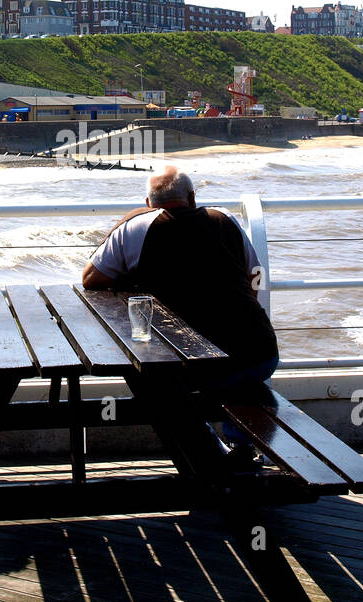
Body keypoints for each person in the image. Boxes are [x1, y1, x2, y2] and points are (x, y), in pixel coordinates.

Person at [82, 166, 278, 463]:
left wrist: (133, 278)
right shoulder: (226, 220)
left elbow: (90, 278)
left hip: (194, 367)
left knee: (161, 388)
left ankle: (211, 458)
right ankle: (241, 448)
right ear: (192, 197)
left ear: (148, 203)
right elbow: (256, 274)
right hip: (261, 354)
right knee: (238, 381)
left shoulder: (135, 227)